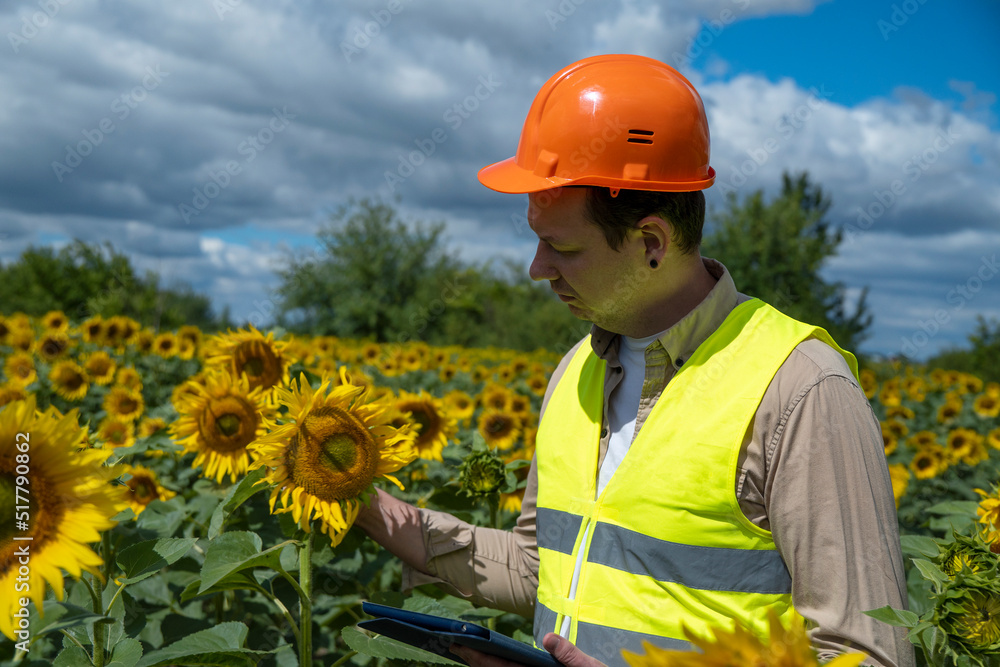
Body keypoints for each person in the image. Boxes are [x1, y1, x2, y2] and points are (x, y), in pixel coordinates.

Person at [356, 54, 914, 667]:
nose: (537, 268)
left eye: (561, 247)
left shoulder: (801, 389)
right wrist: (360, 498)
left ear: (651, 243)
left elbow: (869, 653)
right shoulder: (575, 371)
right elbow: (543, 568)